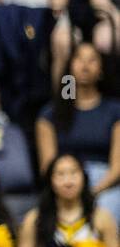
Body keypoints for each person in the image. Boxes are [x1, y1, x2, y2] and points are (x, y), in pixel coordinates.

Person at [36, 41, 120, 226]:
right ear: (69, 67)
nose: (85, 65)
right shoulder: (51, 113)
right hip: (63, 181)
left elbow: (117, 168)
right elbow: (47, 166)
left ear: (101, 69)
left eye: (92, 60)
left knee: (105, 214)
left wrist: (91, 191)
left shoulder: (115, 110)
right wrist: (70, 187)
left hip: (105, 183)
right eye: (79, 59)